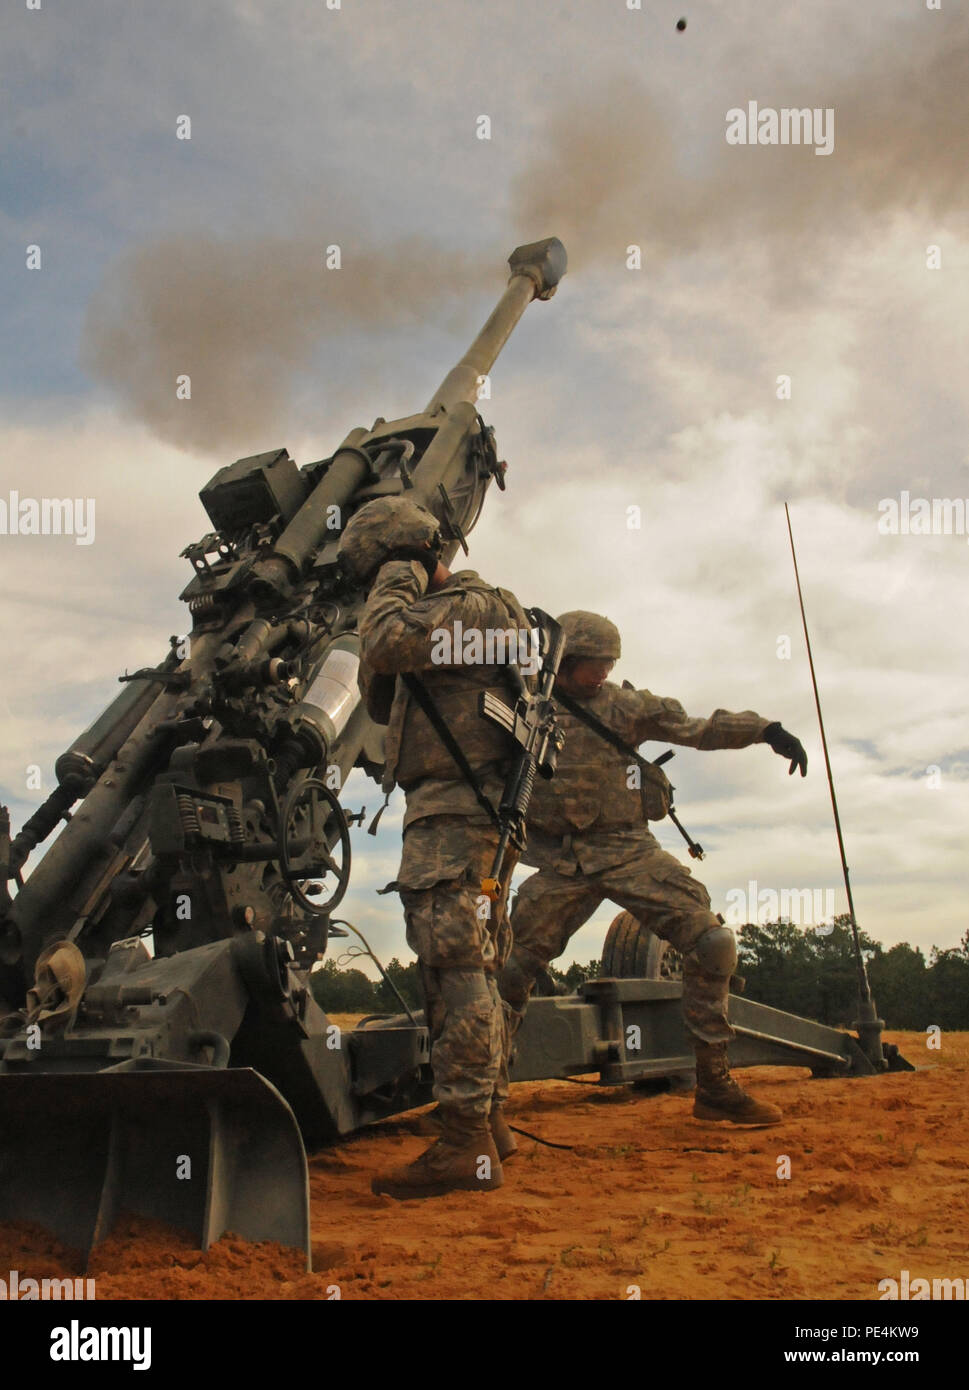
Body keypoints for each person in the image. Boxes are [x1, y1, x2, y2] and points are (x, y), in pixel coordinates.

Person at [497, 610, 808, 1127]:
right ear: (563, 659)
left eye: (608, 664)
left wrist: (764, 731)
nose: (602, 674)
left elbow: (698, 728)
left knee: (713, 944)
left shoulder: (625, 706)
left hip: (629, 850)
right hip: (563, 860)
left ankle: (714, 1088)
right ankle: (484, 1105)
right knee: (507, 971)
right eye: (593, 665)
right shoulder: (526, 702)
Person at [339, 495, 531, 1197]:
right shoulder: (450, 619)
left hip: (459, 813)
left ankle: (463, 1143)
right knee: (468, 968)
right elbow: (385, 701)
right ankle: (490, 1125)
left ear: (410, 557)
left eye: (381, 569)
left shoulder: (479, 607)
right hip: (450, 809)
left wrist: (397, 577)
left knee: (456, 973)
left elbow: (385, 646)